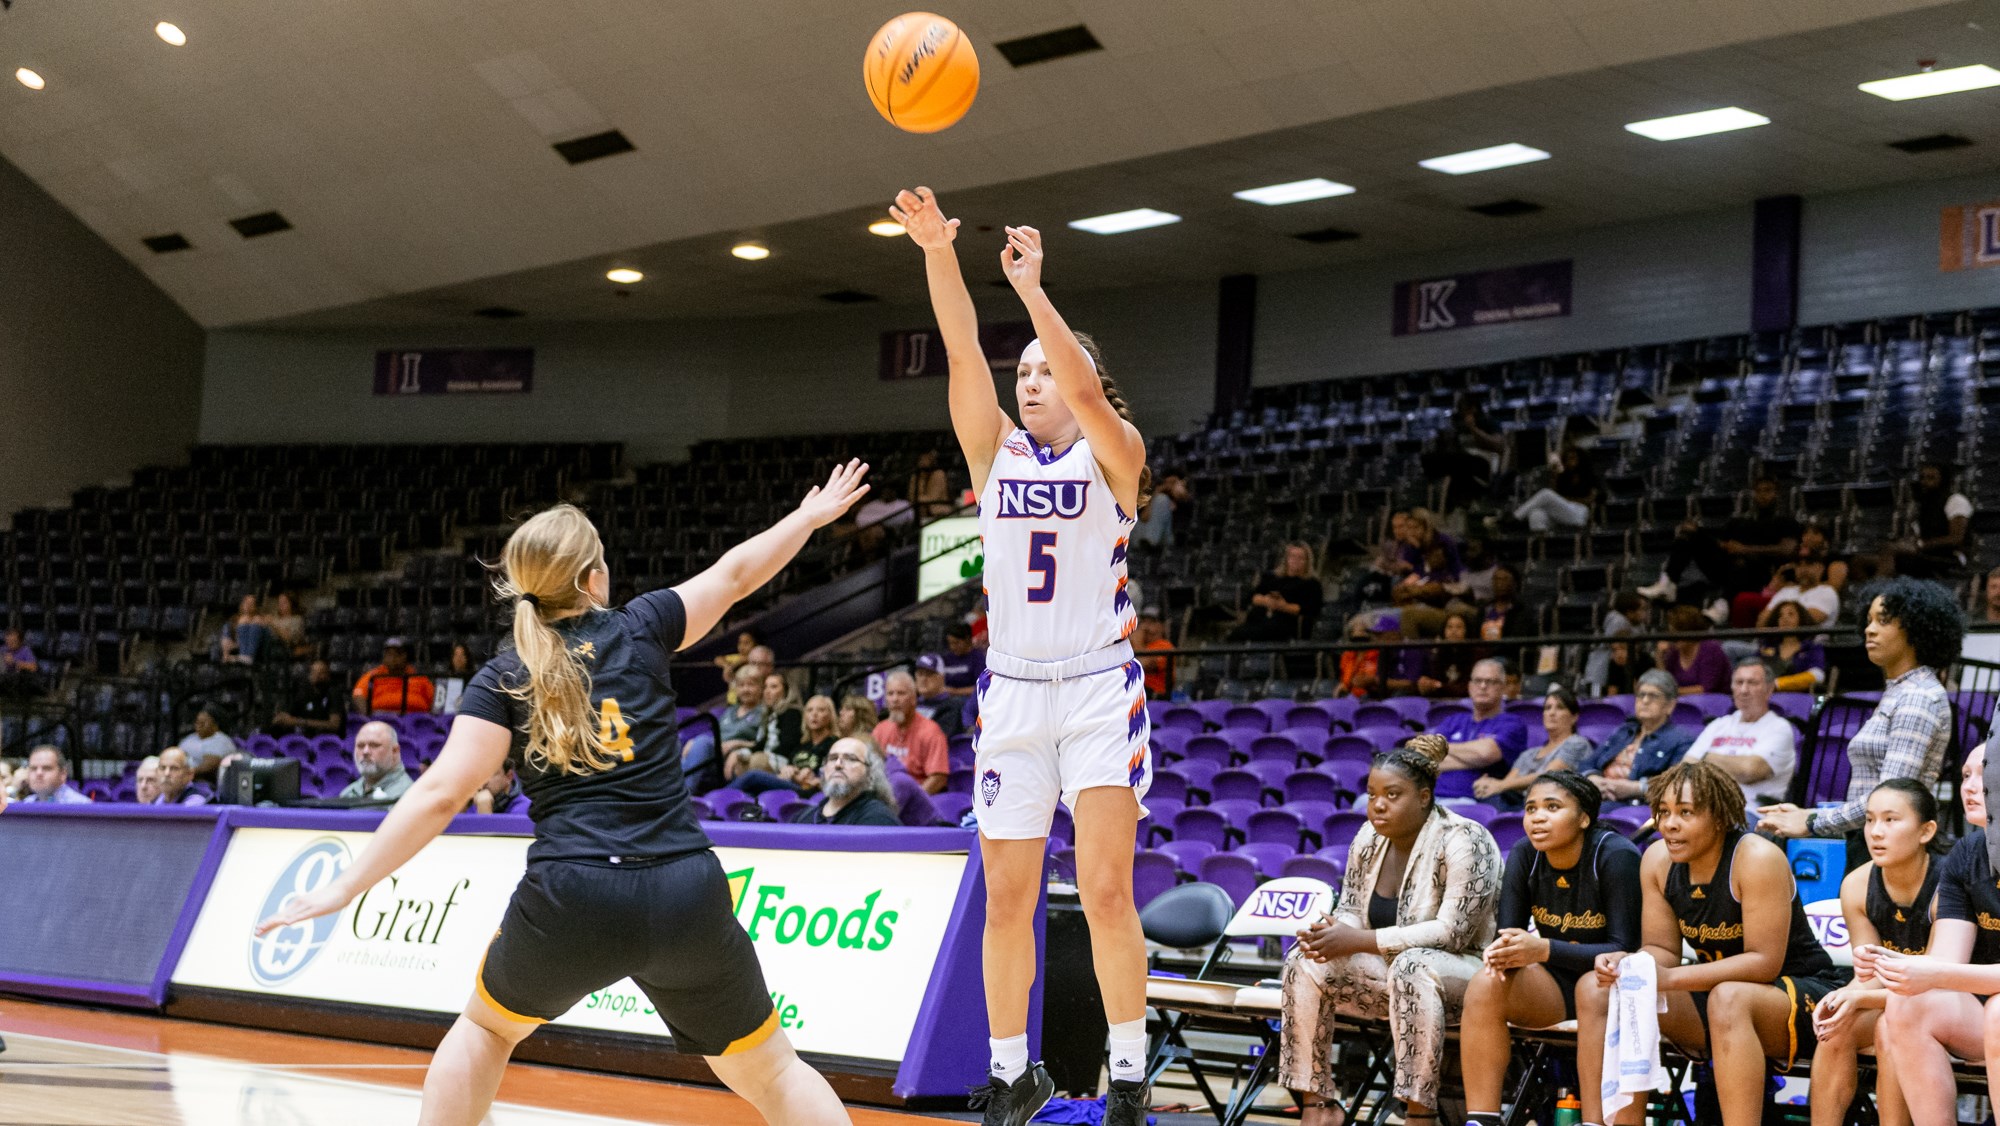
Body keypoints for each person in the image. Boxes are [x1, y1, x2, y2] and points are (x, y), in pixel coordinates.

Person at [254, 464, 871, 1126]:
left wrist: (344, 886)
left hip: (572, 895)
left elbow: (439, 793)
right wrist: (807, 518)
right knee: (775, 1070)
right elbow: (736, 574)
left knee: (486, 1032)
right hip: (683, 889)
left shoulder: (505, 675)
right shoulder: (641, 626)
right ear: (593, 579)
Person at [896, 184, 1155, 1125]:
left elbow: (1087, 392)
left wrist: (1036, 293)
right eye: (1026, 370)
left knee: (1104, 889)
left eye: (1049, 368)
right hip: (1011, 694)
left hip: (1095, 691)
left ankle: (1127, 1074)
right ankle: (1012, 1074)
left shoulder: (1115, 453)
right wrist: (936, 250)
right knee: (1007, 897)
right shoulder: (991, 452)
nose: (1032, 379)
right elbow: (963, 348)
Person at [1575, 759, 1847, 1126]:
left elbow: (1763, 962)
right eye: (1664, 812)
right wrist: (1631, 964)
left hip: (1797, 992)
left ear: (1719, 817)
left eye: (1686, 813)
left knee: (1729, 997)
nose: (1670, 823)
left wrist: (1668, 979)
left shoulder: (1757, 857)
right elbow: (1663, 951)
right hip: (1714, 994)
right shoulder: (1657, 860)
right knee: (1600, 988)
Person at [1280, 736, 1504, 1126]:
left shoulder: (1467, 839)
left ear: (1423, 796)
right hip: (1394, 976)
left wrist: (1360, 940)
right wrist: (1332, 933)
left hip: (1467, 976)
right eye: (1372, 794)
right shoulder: (1368, 837)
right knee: (1304, 960)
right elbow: (1351, 908)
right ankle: (1318, 1105)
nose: (1378, 804)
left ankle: (1419, 1112)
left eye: (1392, 794)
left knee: (1412, 967)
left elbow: (1453, 933)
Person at [1459, 771, 1643, 1126]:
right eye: (1531, 808)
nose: (1537, 817)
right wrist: (1501, 952)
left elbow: (1626, 950)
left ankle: (1595, 1121)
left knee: (1594, 987)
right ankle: (1481, 1119)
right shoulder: (1525, 854)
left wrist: (1543, 949)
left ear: (1584, 818)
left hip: (1611, 987)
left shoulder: (1616, 855)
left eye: (1552, 807)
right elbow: (1508, 936)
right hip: (1555, 987)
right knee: (1486, 982)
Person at [1759, 578, 1963, 867]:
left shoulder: (1919, 697)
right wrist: (1808, 814)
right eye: (1868, 620)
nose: (1869, 629)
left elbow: (1890, 800)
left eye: (1883, 620)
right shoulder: (1900, 691)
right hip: (1872, 842)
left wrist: (1813, 820)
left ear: (1917, 630)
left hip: (1896, 852)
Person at [1806, 777, 1943, 1126]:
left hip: (1949, 1003)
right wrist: (1843, 997)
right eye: (1869, 820)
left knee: (1891, 1025)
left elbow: (1934, 982)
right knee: (1835, 1023)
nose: (1875, 832)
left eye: (1891, 820)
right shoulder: (1856, 884)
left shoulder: (1947, 885)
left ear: (1926, 831)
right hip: (1894, 998)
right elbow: (1866, 976)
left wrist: (1860, 999)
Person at [1870, 744, 1992, 1126]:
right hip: (1986, 1011)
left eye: (1985, 773)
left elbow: (1941, 974)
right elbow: (1946, 962)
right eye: (1966, 775)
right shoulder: (1967, 854)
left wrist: (1932, 974)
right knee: (1905, 1005)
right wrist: (1892, 964)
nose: (1970, 786)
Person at [1640, 475, 1800, 605]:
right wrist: (1700, 535)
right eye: (1758, 491)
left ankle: (1722, 605)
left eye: (1767, 490)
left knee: (1743, 563)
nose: (1762, 495)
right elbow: (1721, 544)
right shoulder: (1740, 522)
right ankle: (1668, 582)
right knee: (1688, 534)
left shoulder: (1786, 521)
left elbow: (1786, 549)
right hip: (1727, 569)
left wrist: (1744, 550)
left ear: (1776, 493)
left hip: (1760, 573)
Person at [1681, 657, 1798, 820]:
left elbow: (1749, 770)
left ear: (1769, 689)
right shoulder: (1719, 724)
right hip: (1706, 807)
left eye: (1752, 683)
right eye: (1739, 682)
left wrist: (1707, 757)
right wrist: (1732, 765)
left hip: (1752, 813)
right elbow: (1686, 767)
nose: (1744, 690)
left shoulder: (1779, 728)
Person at [1580, 669, 1695, 804]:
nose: (1645, 701)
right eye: (1641, 695)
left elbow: (1678, 784)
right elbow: (1586, 764)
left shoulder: (1681, 740)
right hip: (1599, 798)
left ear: (1670, 705)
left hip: (1633, 805)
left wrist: (1635, 788)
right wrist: (1593, 779)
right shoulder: (1623, 731)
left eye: (1653, 696)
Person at [1471, 688, 1592, 807]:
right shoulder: (1529, 754)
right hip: (1520, 802)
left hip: (1553, 803)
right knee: (1488, 797)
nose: (1551, 713)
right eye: (1547, 708)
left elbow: (1549, 776)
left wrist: (1498, 785)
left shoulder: (1577, 743)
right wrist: (1488, 785)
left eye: (1560, 707)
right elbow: (1507, 783)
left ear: (1574, 717)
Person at [728, 694, 840, 798]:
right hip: (791, 784)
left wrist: (816, 778)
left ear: (830, 715)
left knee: (753, 776)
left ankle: (719, 797)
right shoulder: (802, 745)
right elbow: (787, 769)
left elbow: (835, 776)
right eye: (810, 710)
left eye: (821, 710)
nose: (814, 714)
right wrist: (788, 769)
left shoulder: (836, 745)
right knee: (751, 792)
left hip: (811, 791)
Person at [1433, 658, 1528, 774]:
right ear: (1470, 686)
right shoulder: (1452, 721)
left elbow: (1487, 753)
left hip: (1480, 791)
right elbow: (1428, 756)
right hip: (1437, 791)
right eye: (1478, 681)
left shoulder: (1513, 723)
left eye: (1490, 681)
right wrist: (1476, 758)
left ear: (1503, 688)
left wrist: (1441, 747)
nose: (1483, 686)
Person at [1886, 461, 1972, 579]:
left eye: (1931, 478)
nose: (1924, 482)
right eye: (1922, 478)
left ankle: (1879, 592)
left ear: (1943, 480)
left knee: (1893, 553)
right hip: (1925, 554)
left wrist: (1922, 545)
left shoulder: (1956, 501)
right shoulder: (1925, 505)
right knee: (1860, 561)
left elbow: (1956, 539)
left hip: (1950, 557)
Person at [789, 739, 900, 827]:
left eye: (851, 759)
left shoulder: (878, 819)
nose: (838, 764)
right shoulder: (803, 817)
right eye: (832, 758)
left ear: (870, 773)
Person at [873, 669, 950, 794]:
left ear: (914, 699)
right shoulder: (880, 730)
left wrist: (914, 800)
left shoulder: (931, 731)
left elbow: (938, 778)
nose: (895, 699)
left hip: (917, 797)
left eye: (901, 693)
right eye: (890, 694)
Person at [1233, 543, 1325, 644]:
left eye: (1301, 558)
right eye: (1292, 556)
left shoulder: (1312, 584)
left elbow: (1311, 610)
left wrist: (1283, 606)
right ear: (1286, 559)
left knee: (1260, 631)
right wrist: (1267, 601)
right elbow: (1253, 597)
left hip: (1287, 623)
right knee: (1236, 634)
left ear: (1307, 561)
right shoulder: (1271, 577)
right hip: (1259, 619)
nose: (1295, 560)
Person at [1510, 445, 1597, 532]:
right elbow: (1557, 497)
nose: (1570, 461)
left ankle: (1515, 518)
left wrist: (1569, 499)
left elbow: (1592, 499)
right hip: (1564, 510)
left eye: (1573, 458)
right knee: (1536, 513)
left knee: (1545, 493)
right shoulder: (1563, 477)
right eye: (1568, 459)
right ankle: (1541, 542)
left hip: (1580, 512)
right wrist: (1555, 477)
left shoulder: (1589, 476)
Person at [1585, 591, 1650, 695]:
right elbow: (1614, 644)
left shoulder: (1638, 624)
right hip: (1601, 673)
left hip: (1618, 672)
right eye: (1641, 610)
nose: (1645, 613)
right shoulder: (1618, 621)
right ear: (1630, 612)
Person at [1752, 552, 1839, 629]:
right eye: (1799, 565)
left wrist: (1776, 617)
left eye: (1809, 564)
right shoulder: (1785, 591)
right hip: (1769, 645)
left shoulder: (1827, 592)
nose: (1803, 569)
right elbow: (1761, 622)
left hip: (1808, 646)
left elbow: (1806, 623)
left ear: (1820, 568)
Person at [1657, 603, 1731, 695]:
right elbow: (1664, 684)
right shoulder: (1673, 652)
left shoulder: (1711, 649)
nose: (1673, 638)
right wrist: (1659, 658)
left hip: (1712, 704)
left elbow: (1705, 689)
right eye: (1671, 632)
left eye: (1677, 632)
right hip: (1681, 704)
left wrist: (1670, 692)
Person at [352, 638, 436, 716]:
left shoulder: (419, 678)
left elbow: (435, 702)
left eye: (398, 654)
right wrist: (368, 717)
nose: (393, 658)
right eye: (389, 654)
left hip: (415, 720)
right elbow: (358, 695)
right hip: (382, 718)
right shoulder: (373, 675)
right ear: (384, 657)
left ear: (405, 656)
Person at [1760, 601, 1829, 691]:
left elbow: (1818, 675)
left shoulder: (1812, 648)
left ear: (1801, 619)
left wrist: (1778, 684)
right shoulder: (1767, 647)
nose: (1784, 618)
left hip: (1799, 698)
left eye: (1791, 614)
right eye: (1780, 615)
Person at [267, 660, 348, 737]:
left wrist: (299, 722)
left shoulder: (334, 693)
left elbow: (334, 725)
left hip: (330, 741)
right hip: (307, 739)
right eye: (314, 672)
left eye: (321, 672)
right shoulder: (305, 693)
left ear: (328, 676)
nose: (317, 675)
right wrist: (282, 718)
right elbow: (291, 715)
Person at [340, 720, 413, 801]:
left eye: (374, 745)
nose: (365, 752)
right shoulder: (347, 794)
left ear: (394, 751)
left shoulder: (409, 796)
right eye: (360, 746)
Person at [13, 746, 89, 804]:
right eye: (33, 768)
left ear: (63, 774)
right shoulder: (27, 803)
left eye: (47, 768)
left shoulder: (81, 805)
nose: (39, 773)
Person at [178, 708, 238, 778]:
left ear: (215, 725)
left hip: (199, 782)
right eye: (197, 722)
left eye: (203, 723)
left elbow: (207, 768)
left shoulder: (220, 741)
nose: (198, 726)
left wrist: (182, 774)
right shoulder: (192, 737)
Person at [1133, 610, 1174, 698]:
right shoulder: (1137, 645)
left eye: (1152, 622)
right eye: (1144, 622)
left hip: (1156, 696)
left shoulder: (1164, 645)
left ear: (1162, 627)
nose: (1146, 627)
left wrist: (1137, 642)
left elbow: (1142, 665)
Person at [939, 622, 986, 697]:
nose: (953, 647)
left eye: (956, 643)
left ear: (967, 639)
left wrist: (956, 692)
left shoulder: (978, 658)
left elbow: (981, 686)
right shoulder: (946, 659)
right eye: (950, 643)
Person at [218, 594, 267, 665]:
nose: (248, 605)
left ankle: (247, 657)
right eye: (246, 602)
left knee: (256, 624)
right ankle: (237, 657)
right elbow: (227, 640)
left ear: (255, 607)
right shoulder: (233, 620)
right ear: (242, 604)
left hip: (254, 652)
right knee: (227, 628)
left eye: (251, 603)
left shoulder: (259, 620)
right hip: (236, 648)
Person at [434, 643, 479, 715]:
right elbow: (438, 706)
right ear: (452, 658)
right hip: (447, 716)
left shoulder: (474, 680)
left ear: (467, 658)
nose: (459, 659)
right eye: (456, 655)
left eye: (462, 655)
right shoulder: (445, 679)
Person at [910, 449, 953, 519]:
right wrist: (922, 478)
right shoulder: (916, 476)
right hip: (922, 510)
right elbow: (912, 497)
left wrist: (919, 499)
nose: (922, 462)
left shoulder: (939, 474)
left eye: (925, 459)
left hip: (938, 508)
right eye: (921, 459)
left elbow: (932, 499)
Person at [265, 591, 311, 657]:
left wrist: (273, 624)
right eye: (279, 602)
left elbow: (289, 638)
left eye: (284, 602)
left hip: (285, 648)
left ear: (291, 604)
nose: (281, 605)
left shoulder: (297, 619)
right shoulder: (275, 619)